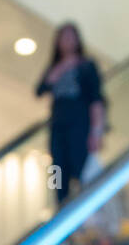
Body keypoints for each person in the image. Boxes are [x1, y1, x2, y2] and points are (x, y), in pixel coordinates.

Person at [35, 22, 107, 208]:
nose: (67, 41)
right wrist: (62, 66)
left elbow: (96, 100)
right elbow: (40, 90)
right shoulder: (55, 67)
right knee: (58, 171)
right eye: (63, 37)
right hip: (58, 126)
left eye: (70, 36)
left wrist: (97, 132)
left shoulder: (87, 66)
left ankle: (85, 216)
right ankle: (60, 211)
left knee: (81, 170)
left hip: (79, 125)